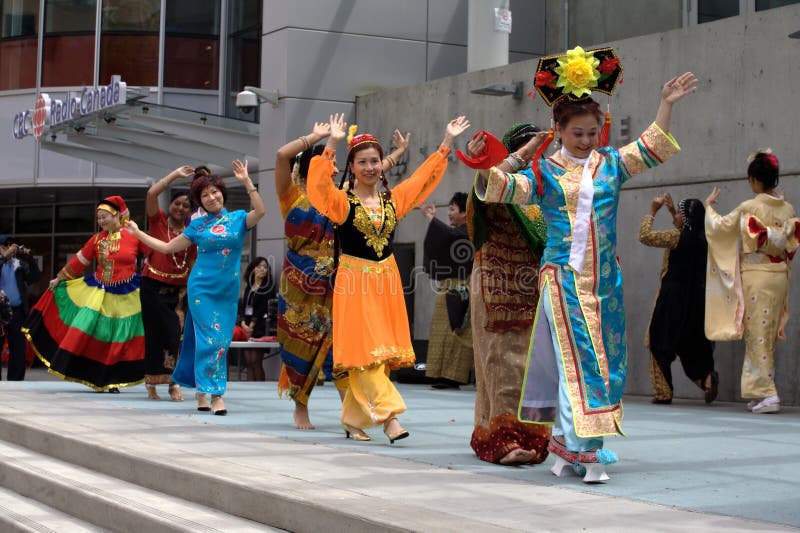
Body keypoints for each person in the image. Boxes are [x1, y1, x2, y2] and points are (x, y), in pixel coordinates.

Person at [476, 46, 696, 481]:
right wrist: (521, 154)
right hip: (561, 278)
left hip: (606, 282)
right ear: (558, 130)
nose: (586, 140)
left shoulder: (611, 164)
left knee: (604, 362)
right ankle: (586, 450)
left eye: (593, 132)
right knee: (583, 361)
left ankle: (562, 446)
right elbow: (497, 187)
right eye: (577, 133)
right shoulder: (544, 173)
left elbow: (652, 146)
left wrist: (665, 104)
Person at [306, 113, 470, 442]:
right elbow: (319, 188)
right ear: (351, 167)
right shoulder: (342, 203)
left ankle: (353, 419)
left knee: (375, 352)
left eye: (375, 161)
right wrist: (333, 143)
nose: (370, 167)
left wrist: (447, 141)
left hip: (386, 281)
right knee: (365, 352)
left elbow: (422, 180)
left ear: (383, 164)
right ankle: (390, 416)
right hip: (354, 282)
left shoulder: (392, 201)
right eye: (363, 162)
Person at [275, 123, 409, 429]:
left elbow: (372, 167)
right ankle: (301, 407)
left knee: (345, 349)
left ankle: (352, 413)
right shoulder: (291, 196)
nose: (334, 169)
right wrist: (320, 137)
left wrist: (398, 152)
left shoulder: (344, 196)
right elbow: (281, 156)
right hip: (299, 287)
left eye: (335, 164)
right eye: (328, 163)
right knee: (301, 347)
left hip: (339, 283)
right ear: (311, 168)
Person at [125, 160, 265, 415]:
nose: (212, 198)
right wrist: (137, 233)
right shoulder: (198, 226)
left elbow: (261, 212)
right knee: (211, 341)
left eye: (215, 192)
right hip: (201, 289)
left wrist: (247, 182)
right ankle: (215, 395)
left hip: (228, 292)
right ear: (200, 202)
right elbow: (167, 248)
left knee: (217, 341)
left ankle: (200, 391)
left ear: (222, 193)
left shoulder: (238, 219)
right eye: (205, 195)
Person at [460, 123, 551, 465]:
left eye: (538, 153)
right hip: (495, 281)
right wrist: (518, 157)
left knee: (532, 365)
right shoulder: (498, 178)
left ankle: (531, 437)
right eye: (529, 152)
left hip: (533, 283)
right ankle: (499, 439)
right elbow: (486, 187)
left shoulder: (544, 188)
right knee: (499, 363)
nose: (534, 159)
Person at [704, 149, 799, 414]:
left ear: (755, 180)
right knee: (763, 334)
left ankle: (769, 394)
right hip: (778, 276)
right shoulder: (787, 207)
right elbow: (788, 240)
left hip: (757, 276)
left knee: (758, 333)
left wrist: (709, 207)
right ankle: (760, 390)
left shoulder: (750, 207)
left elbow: (722, 227)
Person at [23, 197, 146, 391]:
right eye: (98, 218)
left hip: (127, 295)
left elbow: (153, 256)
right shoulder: (96, 240)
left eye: (104, 216)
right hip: (100, 293)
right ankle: (98, 376)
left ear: (116, 215)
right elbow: (79, 261)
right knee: (98, 335)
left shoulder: (134, 236)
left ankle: (113, 379)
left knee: (120, 338)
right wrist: (59, 279)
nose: (101, 222)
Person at [639, 193, 717, 404]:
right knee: (692, 343)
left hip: (672, 298)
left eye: (681, 215)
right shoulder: (706, 239)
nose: (677, 218)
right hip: (697, 300)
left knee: (659, 341)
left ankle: (663, 392)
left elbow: (645, 236)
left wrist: (652, 211)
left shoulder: (676, 237)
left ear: (687, 218)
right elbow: (685, 225)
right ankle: (706, 378)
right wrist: (673, 211)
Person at [141, 166, 197, 401]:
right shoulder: (158, 221)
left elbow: (192, 261)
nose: (180, 208)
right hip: (152, 287)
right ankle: (151, 383)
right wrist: (174, 175)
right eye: (177, 203)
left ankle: (173, 383)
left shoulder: (191, 232)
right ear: (171, 205)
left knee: (174, 335)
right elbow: (152, 195)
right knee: (153, 336)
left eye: (186, 206)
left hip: (178, 292)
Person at [422, 192, 475, 389]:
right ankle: (441, 374)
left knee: (457, 330)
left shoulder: (469, 229)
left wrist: (430, 218)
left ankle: (453, 376)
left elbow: (449, 235)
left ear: (464, 212)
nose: (450, 213)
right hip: (449, 285)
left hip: (463, 285)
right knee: (442, 329)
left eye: (453, 209)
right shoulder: (458, 231)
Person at [0, 236, 41, 380]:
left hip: (16, 311)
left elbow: (34, 277)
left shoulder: (17, 264)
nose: (9, 248)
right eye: (5, 245)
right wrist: (4, 256)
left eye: (11, 245)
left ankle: (15, 379)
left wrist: (29, 258)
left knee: (18, 347)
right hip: (0, 311)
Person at [238, 256, 276, 381]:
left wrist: (252, 325)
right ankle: (249, 389)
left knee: (255, 361)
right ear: (253, 269)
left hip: (259, 326)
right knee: (248, 361)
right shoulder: (249, 285)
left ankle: (261, 388)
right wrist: (243, 323)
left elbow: (262, 308)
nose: (262, 269)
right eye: (260, 266)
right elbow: (243, 305)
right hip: (246, 325)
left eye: (265, 267)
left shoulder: (268, 286)